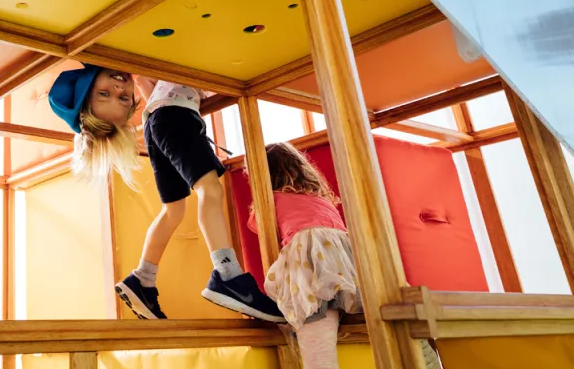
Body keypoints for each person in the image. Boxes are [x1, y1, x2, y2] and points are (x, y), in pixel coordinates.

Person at [48, 64, 284, 322]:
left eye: (116, 96)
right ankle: (228, 274)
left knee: (173, 209)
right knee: (210, 189)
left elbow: (142, 79)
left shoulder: (142, 67)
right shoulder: (157, 69)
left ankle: (143, 279)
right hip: (174, 118)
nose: (117, 88)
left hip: (157, 124)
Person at [251, 143, 441, 369]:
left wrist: (258, 204)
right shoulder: (320, 200)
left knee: (317, 338)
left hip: (314, 267)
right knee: (393, 317)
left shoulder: (272, 200)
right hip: (352, 265)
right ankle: (426, 357)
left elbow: (258, 226)